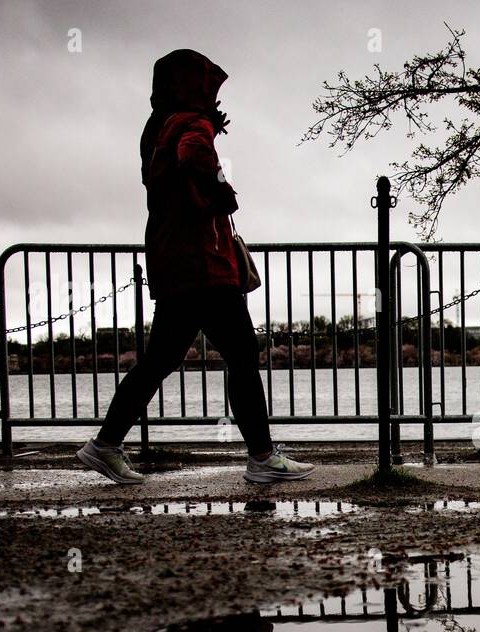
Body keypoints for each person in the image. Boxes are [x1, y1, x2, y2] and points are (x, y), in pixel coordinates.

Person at [77, 49, 313, 485]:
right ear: (194, 87)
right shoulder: (191, 124)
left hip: (174, 262)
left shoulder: (157, 128)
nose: (213, 96)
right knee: (242, 354)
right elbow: (195, 156)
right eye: (209, 86)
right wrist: (222, 192)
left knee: (159, 361)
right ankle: (262, 458)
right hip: (204, 265)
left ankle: (105, 445)